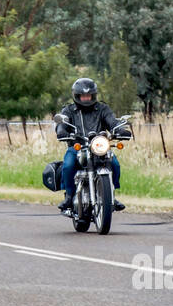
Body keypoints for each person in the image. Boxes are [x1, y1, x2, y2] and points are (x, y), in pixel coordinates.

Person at [54, 77, 126, 216]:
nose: (86, 98)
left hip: (99, 147)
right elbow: (61, 125)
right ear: (77, 96)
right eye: (83, 96)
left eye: (89, 95)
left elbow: (112, 121)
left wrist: (119, 129)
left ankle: (110, 195)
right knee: (68, 165)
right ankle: (69, 196)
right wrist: (61, 131)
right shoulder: (69, 110)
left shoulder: (102, 108)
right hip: (77, 146)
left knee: (115, 164)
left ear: (93, 95)